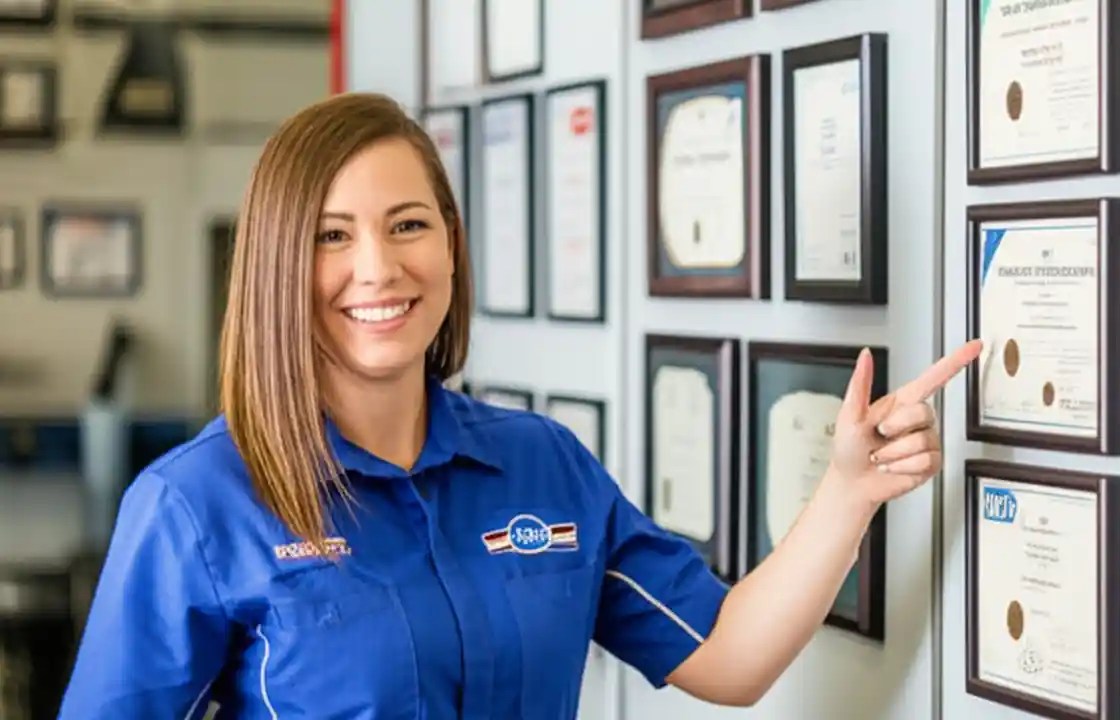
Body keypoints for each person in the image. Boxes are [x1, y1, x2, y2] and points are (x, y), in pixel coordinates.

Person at [57, 92, 982, 719]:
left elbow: (729, 656)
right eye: (331, 237)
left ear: (451, 248)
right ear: (275, 270)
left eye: (407, 224)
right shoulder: (193, 507)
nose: (378, 268)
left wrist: (849, 492)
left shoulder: (542, 465)